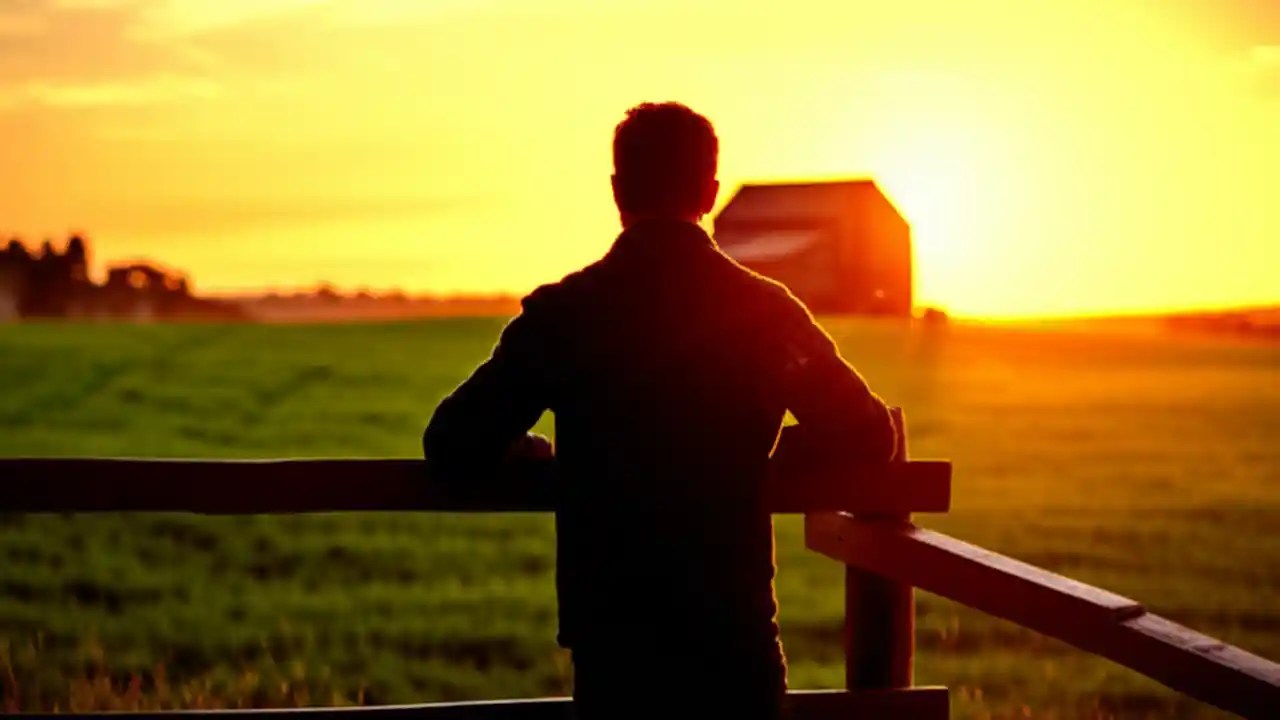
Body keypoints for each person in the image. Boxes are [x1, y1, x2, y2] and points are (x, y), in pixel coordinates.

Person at [423, 102, 898, 719]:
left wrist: (530, 451)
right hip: (734, 641)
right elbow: (869, 435)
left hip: (617, 651)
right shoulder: (765, 313)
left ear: (618, 192)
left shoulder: (568, 313)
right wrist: (779, 454)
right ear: (709, 191)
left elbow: (452, 442)